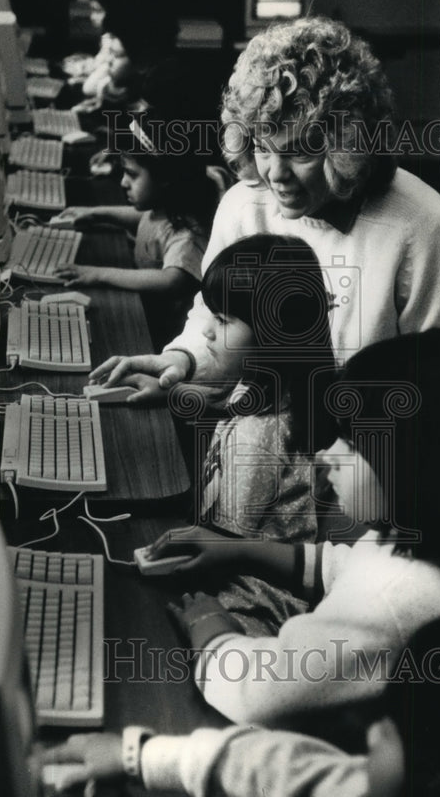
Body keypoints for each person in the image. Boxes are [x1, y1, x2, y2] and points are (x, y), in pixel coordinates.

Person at [88, 16, 440, 400]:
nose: (275, 174)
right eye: (262, 146)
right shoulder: (245, 202)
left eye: (298, 150)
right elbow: (215, 312)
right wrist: (182, 359)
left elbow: (435, 387)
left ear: (348, 145)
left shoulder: (425, 227)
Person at [142, 330, 440, 728]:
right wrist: (240, 550)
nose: (327, 454)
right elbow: (346, 564)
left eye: (352, 444)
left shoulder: (387, 599)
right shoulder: (422, 537)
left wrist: (210, 627)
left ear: (415, 466)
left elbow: (256, 694)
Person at [41, 613, 440, 797]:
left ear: (435, 784)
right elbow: (283, 770)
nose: (370, 734)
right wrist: (140, 757)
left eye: (390, 732)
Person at [144, 234, 336, 635]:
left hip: (254, 607)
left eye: (224, 320)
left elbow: (225, 544)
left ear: (273, 333)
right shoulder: (267, 388)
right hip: (236, 578)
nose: (208, 332)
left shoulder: (259, 433)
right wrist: (169, 390)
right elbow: (223, 404)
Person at [50, 113, 219, 348]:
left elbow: (171, 280)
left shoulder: (188, 234)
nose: (122, 182)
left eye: (131, 174)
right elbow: (145, 221)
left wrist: (98, 274)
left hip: (155, 337)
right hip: (142, 315)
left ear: (165, 178)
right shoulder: (166, 210)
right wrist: (97, 213)